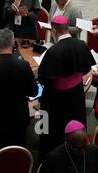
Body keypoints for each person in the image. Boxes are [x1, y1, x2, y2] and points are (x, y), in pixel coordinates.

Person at [36, 14, 92, 157]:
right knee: (76, 122)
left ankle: (48, 154)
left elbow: (43, 79)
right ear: (67, 29)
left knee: (51, 128)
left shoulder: (53, 52)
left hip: (56, 100)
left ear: (54, 31)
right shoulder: (81, 45)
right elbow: (86, 68)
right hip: (77, 94)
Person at [0, 27, 35, 155]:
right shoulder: (24, 66)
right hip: (19, 117)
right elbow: (33, 92)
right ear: (13, 42)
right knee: (20, 150)